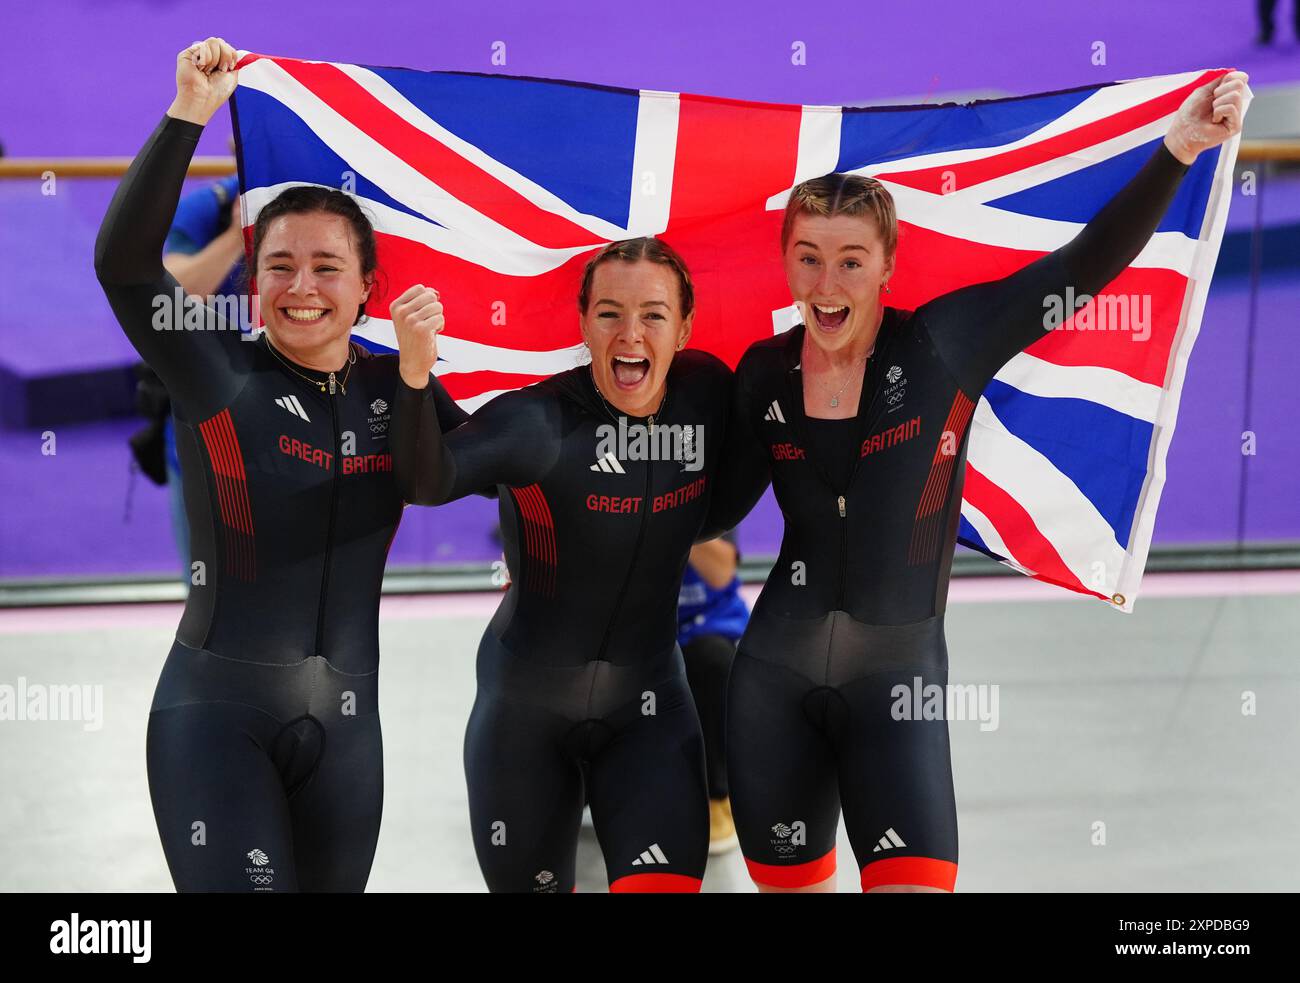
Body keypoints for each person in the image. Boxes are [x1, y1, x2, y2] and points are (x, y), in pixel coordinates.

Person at [705, 71, 1252, 892]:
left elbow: (1083, 264)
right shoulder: (762, 373)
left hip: (900, 691)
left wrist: (1178, 151)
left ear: (888, 265)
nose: (827, 285)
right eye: (808, 259)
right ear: (785, 260)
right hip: (770, 685)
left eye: (851, 261)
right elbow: (718, 505)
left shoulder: (945, 345)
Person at [94, 37, 469, 892]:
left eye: (328, 266)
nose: (302, 285)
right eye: (280, 266)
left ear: (368, 286)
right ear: (254, 279)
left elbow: (448, 477)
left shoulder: (399, 381)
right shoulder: (217, 368)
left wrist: (418, 375)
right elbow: (122, 267)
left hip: (348, 736)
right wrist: (189, 110)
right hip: (216, 723)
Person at [391, 238, 732, 893]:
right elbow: (427, 480)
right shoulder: (538, 424)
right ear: (582, 323)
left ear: (685, 326)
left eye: (653, 315)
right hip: (525, 713)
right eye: (609, 313)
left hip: (650, 707)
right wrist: (413, 374)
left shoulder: (708, 398)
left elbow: (723, 508)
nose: (630, 333)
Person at [677, 534, 749, 854]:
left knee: (712, 660)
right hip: (641, 630)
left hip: (708, 627)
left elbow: (721, 573)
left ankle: (717, 797)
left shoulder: (705, 489)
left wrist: (674, 512)